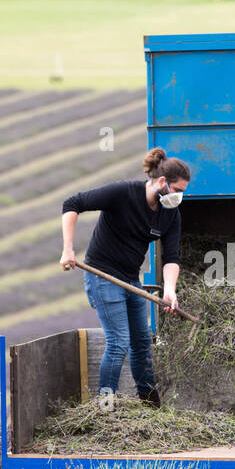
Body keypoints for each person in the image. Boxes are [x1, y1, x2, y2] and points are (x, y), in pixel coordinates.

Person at [60, 148, 190, 404]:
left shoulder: (170, 214)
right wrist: (68, 249)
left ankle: (149, 404)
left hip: (131, 281)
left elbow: (172, 258)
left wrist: (170, 290)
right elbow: (72, 204)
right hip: (103, 277)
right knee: (119, 342)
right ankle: (104, 409)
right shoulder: (123, 193)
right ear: (162, 182)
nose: (179, 197)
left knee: (142, 341)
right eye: (177, 190)